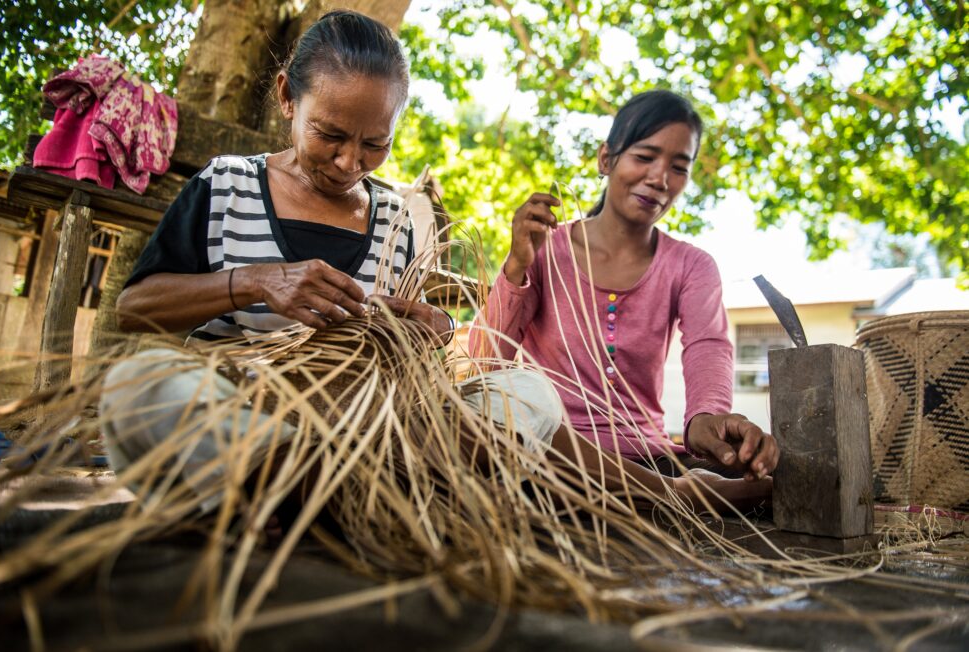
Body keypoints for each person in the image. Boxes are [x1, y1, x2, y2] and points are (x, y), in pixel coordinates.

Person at [101, 10, 563, 515]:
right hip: (250, 412)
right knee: (138, 388)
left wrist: (432, 327)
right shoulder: (225, 186)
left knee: (530, 393)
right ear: (286, 97)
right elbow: (134, 307)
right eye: (330, 134)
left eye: (374, 144)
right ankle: (352, 487)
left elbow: (416, 352)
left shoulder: (395, 217)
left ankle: (308, 490)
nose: (350, 162)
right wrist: (254, 282)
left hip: (370, 420)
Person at [470, 89, 779, 509]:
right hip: (548, 449)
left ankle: (668, 487)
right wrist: (516, 267)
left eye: (679, 167)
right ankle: (681, 494)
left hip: (645, 459)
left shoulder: (691, 266)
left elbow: (708, 346)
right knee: (489, 408)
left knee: (777, 463)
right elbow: (484, 363)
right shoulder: (547, 248)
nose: (660, 179)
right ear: (605, 159)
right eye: (645, 157)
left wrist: (708, 417)